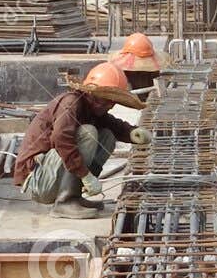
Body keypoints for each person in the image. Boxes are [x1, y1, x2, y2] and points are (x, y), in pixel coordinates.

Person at [14, 62, 148, 218]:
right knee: (88, 133)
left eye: (113, 102)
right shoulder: (71, 103)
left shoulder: (92, 107)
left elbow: (111, 123)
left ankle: (75, 196)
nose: (109, 106)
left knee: (107, 136)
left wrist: (132, 132)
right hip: (37, 180)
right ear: (91, 94)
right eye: (106, 100)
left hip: (50, 175)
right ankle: (64, 201)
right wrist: (85, 174)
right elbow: (61, 139)